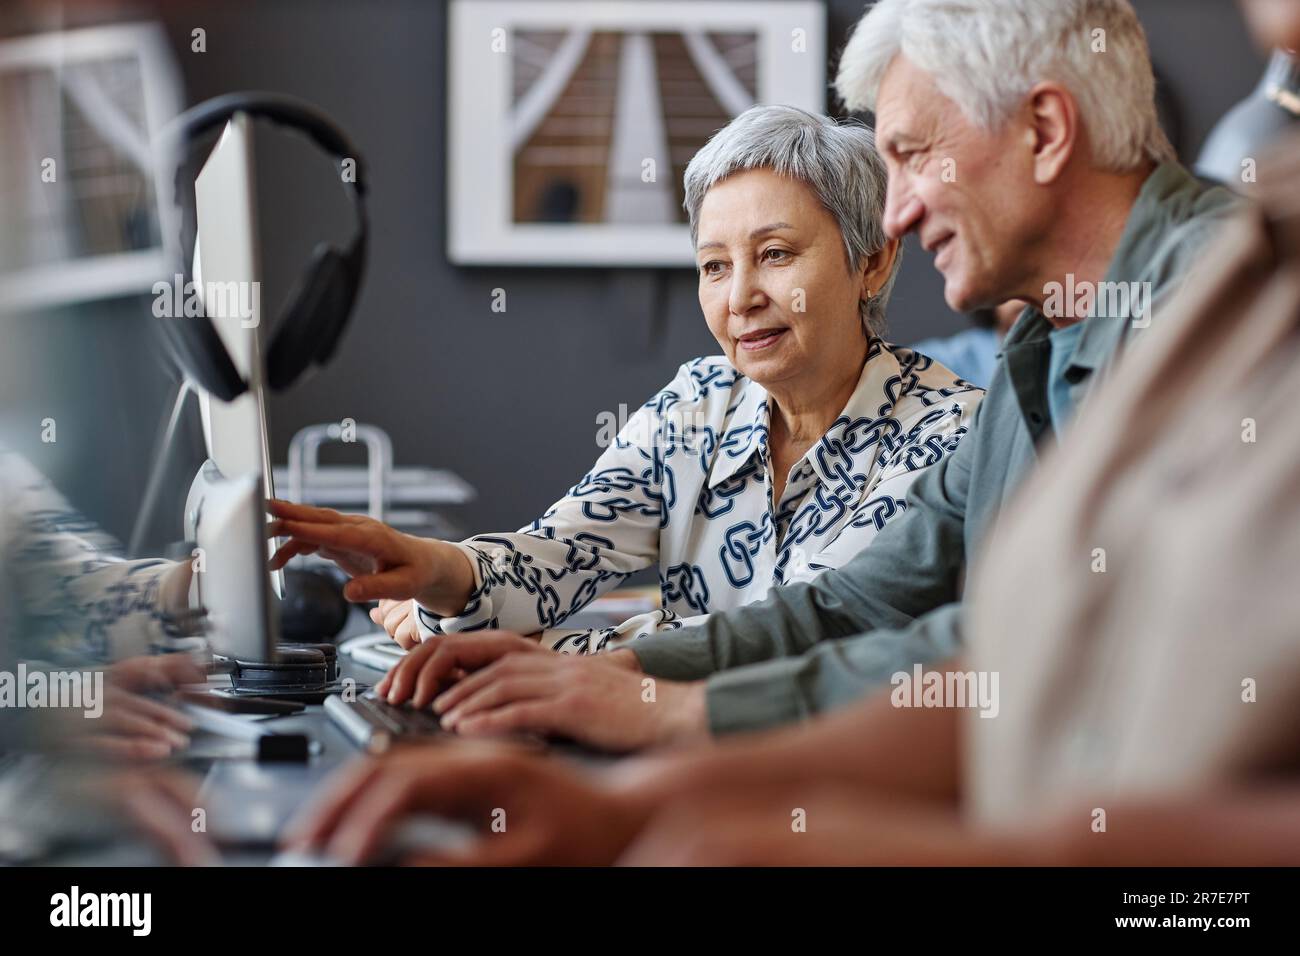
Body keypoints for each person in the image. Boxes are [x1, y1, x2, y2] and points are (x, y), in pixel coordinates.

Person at [338, 0, 1242, 754]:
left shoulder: (1227, 289)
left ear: (1045, 131)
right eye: (714, 265)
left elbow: (1041, 645)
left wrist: (668, 703)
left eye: (915, 155)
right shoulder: (1041, 347)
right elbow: (849, 607)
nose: (898, 211)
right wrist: (623, 671)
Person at [269, 106, 982, 674]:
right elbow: (555, 557)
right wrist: (431, 567)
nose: (739, 299)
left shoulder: (949, 432)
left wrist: (525, 658)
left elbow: (791, 647)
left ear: (874, 262)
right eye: (712, 266)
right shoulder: (698, 403)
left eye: (774, 255)